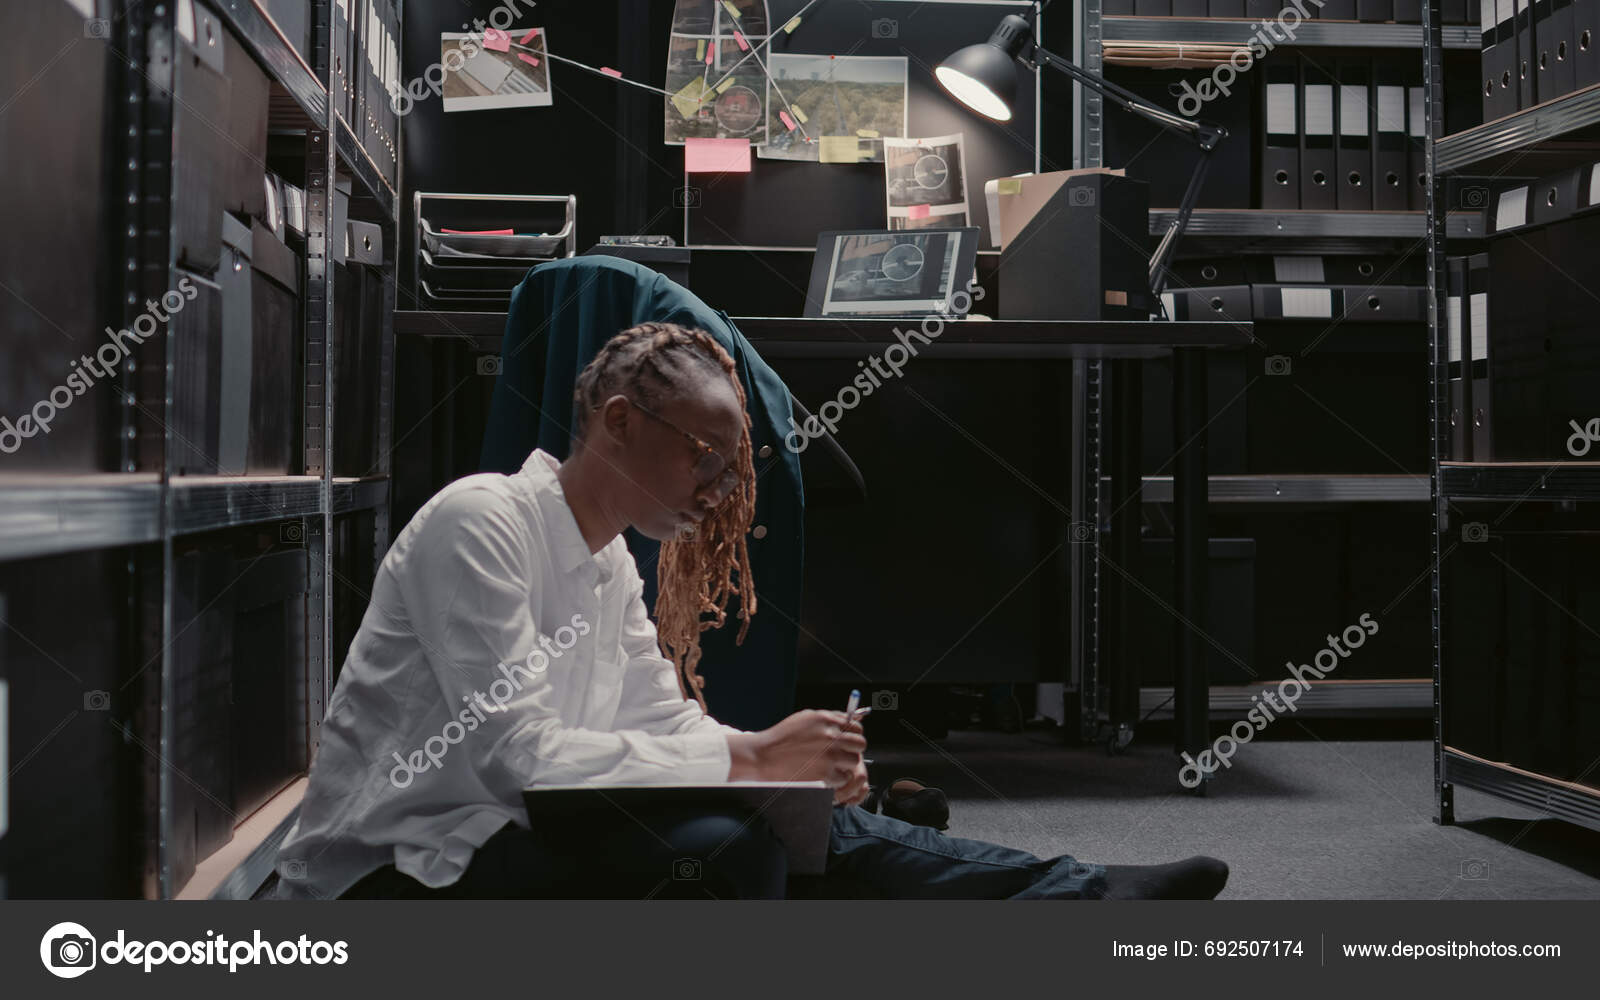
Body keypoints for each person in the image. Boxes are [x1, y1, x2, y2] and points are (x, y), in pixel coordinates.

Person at [273, 322, 1229, 900]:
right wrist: (753, 760)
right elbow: (516, 757)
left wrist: (775, 763)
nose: (722, 486)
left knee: (784, 821)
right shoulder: (480, 522)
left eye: (731, 467)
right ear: (617, 424)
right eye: (704, 455)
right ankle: (1077, 897)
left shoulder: (607, 563)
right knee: (726, 841)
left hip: (511, 824)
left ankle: (1079, 896)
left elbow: (657, 721)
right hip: (398, 868)